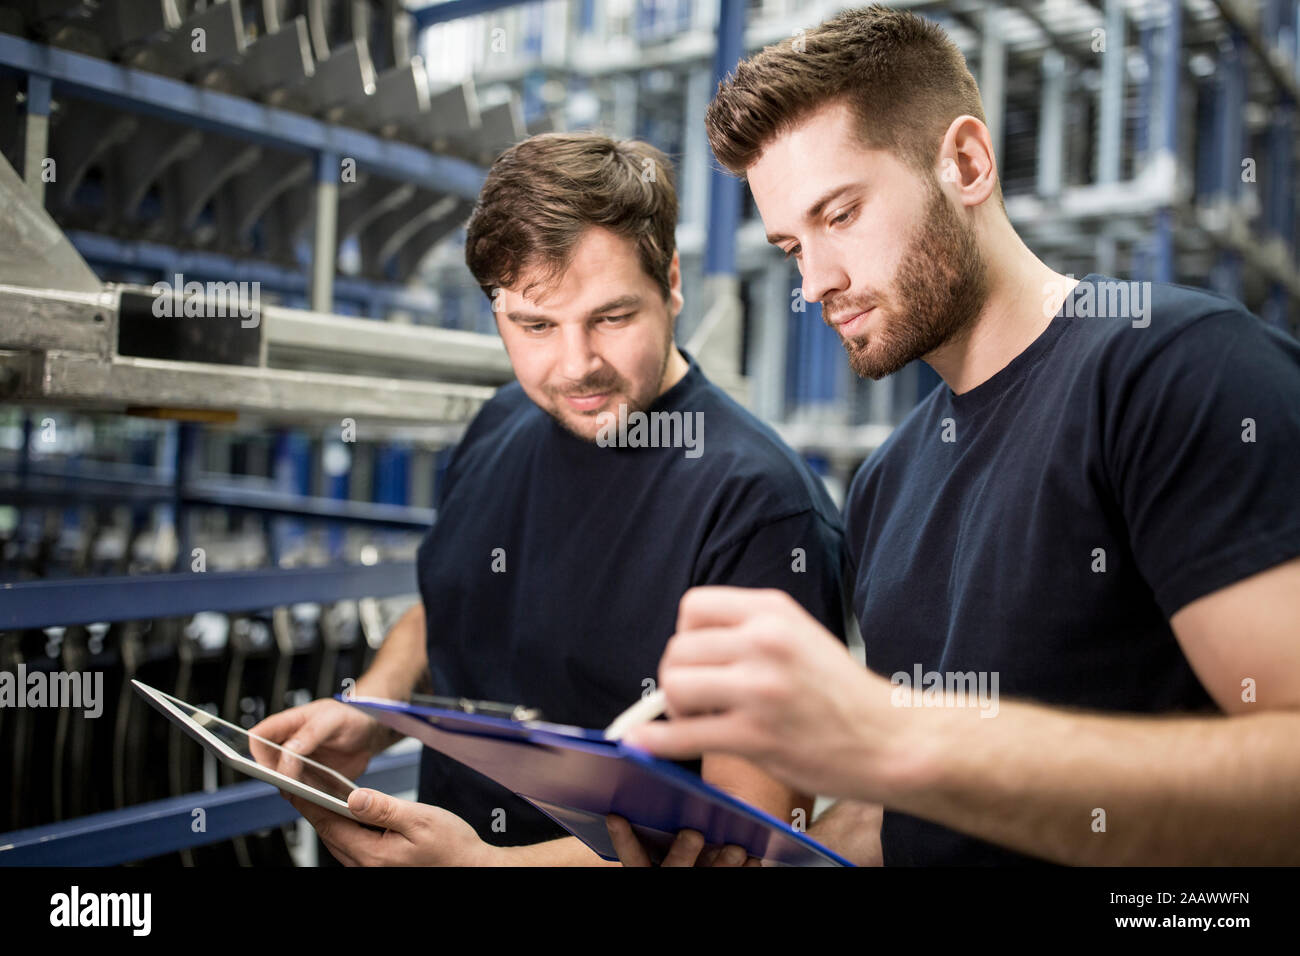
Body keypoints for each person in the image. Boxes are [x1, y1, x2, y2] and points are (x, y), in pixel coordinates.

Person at [614, 4, 1300, 866]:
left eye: (842, 215)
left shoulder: (1176, 373)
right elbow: (905, 813)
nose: (818, 281)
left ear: (967, 163)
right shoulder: (890, 482)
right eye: (792, 246)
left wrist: (895, 733)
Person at [252, 131, 848, 865]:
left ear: (671, 281)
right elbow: (455, 606)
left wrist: (484, 867)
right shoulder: (503, 421)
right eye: (534, 325)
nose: (576, 366)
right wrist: (370, 712)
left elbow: (752, 838)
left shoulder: (759, 507)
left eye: (612, 317)